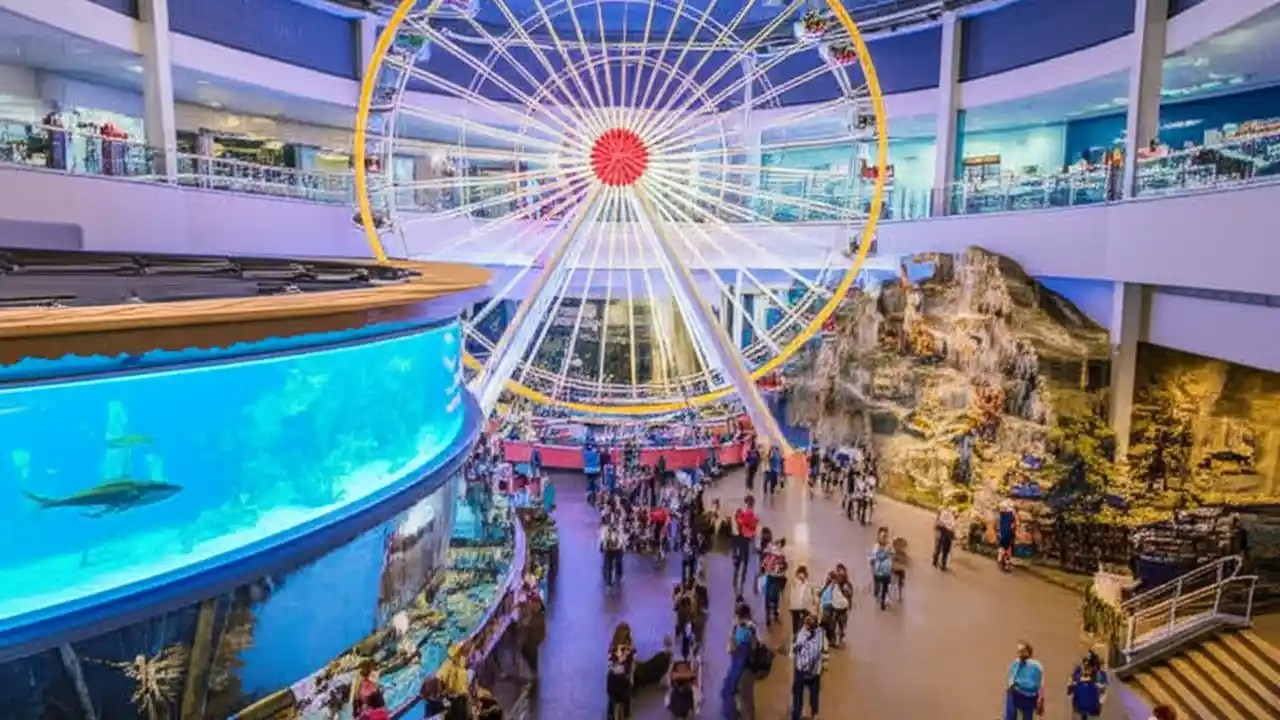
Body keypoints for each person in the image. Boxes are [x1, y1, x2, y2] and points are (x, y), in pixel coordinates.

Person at [720, 603, 760, 720]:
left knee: (744, 697)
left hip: (744, 668)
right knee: (741, 696)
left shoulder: (749, 628)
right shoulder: (739, 627)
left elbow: (753, 647)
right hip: (741, 668)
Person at [790, 612, 824, 720]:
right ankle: (813, 714)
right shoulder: (820, 634)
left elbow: (796, 649)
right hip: (814, 671)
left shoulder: (803, 633)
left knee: (798, 695)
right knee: (813, 695)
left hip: (802, 669)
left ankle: (797, 715)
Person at [1005, 641, 1045, 720]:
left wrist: (1041, 698)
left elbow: (1038, 684)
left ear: (1027, 651)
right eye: (1018, 651)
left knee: (1028, 715)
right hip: (1016, 694)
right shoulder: (1016, 663)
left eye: (1022, 651)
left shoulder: (1036, 665)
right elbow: (1011, 679)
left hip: (1030, 697)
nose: (1019, 654)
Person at [607, 623, 637, 719]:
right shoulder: (629, 649)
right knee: (626, 700)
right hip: (623, 678)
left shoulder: (612, 647)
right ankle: (626, 716)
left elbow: (609, 663)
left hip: (612, 678)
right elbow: (632, 665)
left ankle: (610, 716)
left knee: (612, 700)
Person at [1067, 650, 1108, 720]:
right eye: (1085, 666)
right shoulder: (1078, 672)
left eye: (1088, 666)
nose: (1086, 668)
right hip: (1079, 710)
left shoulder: (1099, 674)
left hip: (1091, 711)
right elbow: (1069, 689)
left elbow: (1103, 690)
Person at [731, 495, 759, 594]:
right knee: (743, 564)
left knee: (739, 564)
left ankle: (736, 585)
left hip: (740, 540)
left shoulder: (741, 513)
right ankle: (739, 587)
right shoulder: (748, 514)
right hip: (743, 540)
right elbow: (752, 527)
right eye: (751, 504)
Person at [518, 593, 547, 679]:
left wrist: (524, 624)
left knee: (531, 655)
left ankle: (533, 674)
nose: (532, 605)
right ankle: (533, 673)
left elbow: (531, 626)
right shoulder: (537, 615)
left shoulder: (539, 618)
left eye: (534, 604)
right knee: (531, 655)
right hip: (532, 640)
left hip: (533, 640)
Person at [761, 537, 789, 626]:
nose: (777, 548)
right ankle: (770, 616)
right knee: (770, 597)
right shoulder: (773, 555)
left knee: (773, 597)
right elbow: (764, 564)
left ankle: (773, 615)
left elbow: (784, 567)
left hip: (775, 578)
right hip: (772, 577)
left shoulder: (780, 557)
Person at [788, 565, 816, 639]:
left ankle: (795, 635)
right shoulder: (806, 583)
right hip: (803, 606)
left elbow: (791, 593)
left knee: (795, 620)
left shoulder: (793, 581)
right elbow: (808, 595)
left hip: (794, 606)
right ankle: (799, 634)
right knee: (803, 620)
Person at [870, 527, 894, 611]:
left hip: (886, 571)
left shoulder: (889, 546)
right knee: (877, 586)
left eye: (885, 536)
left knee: (885, 588)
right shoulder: (876, 547)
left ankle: (883, 602)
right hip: (878, 570)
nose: (884, 538)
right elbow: (872, 558)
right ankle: (877, 594)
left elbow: (893, 554)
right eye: (882, 536)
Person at [601, 519, 626, 586]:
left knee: (617, 563)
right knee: (611, 565)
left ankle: (617, 576)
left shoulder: (619, 530)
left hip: (615, 550)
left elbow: (622, 540)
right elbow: (603, 539)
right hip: (611, 550)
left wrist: (623, 548)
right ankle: (610, 581)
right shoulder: (606, 530)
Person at [933, 504, 957, 570]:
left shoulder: (944, 514)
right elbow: (952, 527)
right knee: (944, 550)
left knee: (939, 548)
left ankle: (937, 561)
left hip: (943, 532)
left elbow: (938, 524)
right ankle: (942, 563)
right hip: (946, 533)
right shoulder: (949, 516)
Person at [997, 500, 1017, 572]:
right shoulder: (1008, 515)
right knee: (1007, 548)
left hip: (1006, 533)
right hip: (1007, 534)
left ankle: (1003, 561)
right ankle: (1005, 562)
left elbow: (1013, 524)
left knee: (1005, 547)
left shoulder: (1004, 515)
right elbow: (1013, 524)